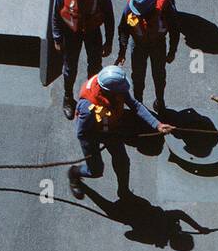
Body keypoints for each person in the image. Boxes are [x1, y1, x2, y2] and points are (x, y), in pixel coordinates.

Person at [68, 65, 174, 199]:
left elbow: (135, 105)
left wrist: (157, 125)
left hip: (111, 128)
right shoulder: (87, 108)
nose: (125, 92)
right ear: (110, 92)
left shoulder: (114, 87)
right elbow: (82, 134)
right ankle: (74, 172)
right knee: (96, 170)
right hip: (92, 133)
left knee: (122, 162)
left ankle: (124, 191)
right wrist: (102, 139)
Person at [51, 0, 114, 119]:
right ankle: (67, 97)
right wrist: (57, 38)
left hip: (93, 32)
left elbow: (109, 17)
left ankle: (92, 97)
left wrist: (109, 41)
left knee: (95, 67)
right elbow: (56, 16)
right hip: (71, 33)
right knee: (69, 68)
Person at [115, 0, 179, 117]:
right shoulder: (130, 8)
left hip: (158, 45)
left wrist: (172, 51)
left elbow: (175, 30)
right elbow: (123, 29)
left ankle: (160, 101)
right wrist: (122, 51)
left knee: (159, 76)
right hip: (138, 45)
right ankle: (138, 103)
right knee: (137, 76)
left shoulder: (166, 9)